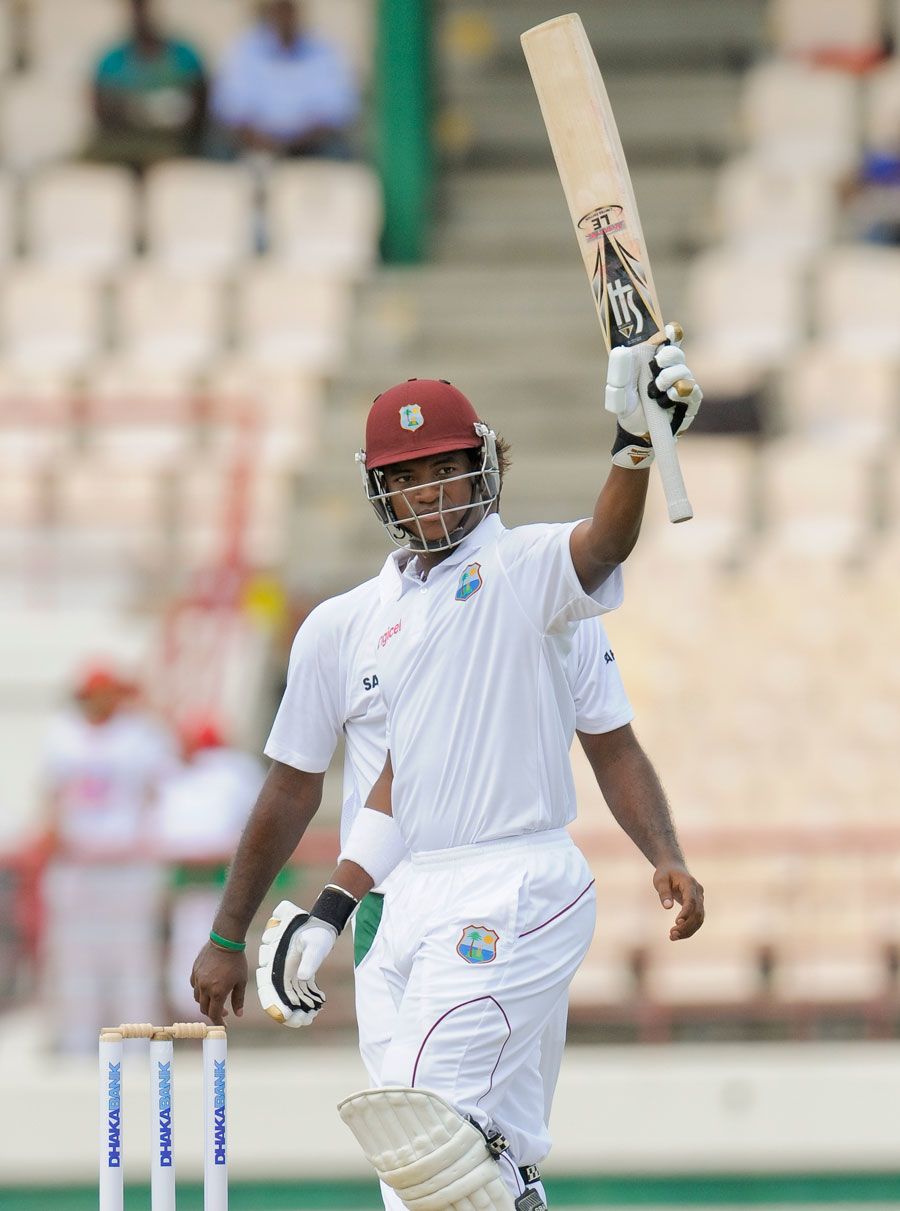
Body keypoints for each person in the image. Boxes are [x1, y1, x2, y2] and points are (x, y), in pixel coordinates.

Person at [252, 340, 706, 1211]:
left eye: (447, 469)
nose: (429, 491)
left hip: (514, 883)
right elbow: (399, 786)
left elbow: (606, 541)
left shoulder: (526, 567)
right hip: (414, 895)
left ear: (484, 467)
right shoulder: (391, 618)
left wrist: (633, 442)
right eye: (407, 476)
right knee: (448, 1168)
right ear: (380, 490)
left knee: (425, 1128)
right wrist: (331, 908)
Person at [41, 664, 176, 1052]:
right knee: (76, 958)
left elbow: (160, 792)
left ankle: (138, 1043)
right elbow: (51, 796)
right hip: (78, 864)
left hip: (128, 862)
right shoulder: (61, 734)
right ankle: (79, 1042)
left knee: (134, 956)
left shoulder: (141, 735)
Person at [157, 715, 264, 1018]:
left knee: (207, 940)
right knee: (191, 941)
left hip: (224, 876)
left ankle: (203, 1012)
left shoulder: (229, 772)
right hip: (199, 878)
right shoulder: (233, 771)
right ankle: (195, 1014)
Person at [210, 0, 359, 158]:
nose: (284, 16)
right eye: (279, 9)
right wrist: (267, 143)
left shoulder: (323, 51)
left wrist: (293, 144)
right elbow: (230, 109)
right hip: (253, 146)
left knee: (338, 152)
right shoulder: (244, 49)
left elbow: (338, 110)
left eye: (288, 9)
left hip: (313, 147)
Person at [87, 0, 207, 172]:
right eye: (135, 7)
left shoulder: (184, 57)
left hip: (174, 145)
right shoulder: (112, 60)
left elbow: (198, 110)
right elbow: (101, 110)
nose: (140, 14)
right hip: (121, 145)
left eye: (143, 6)